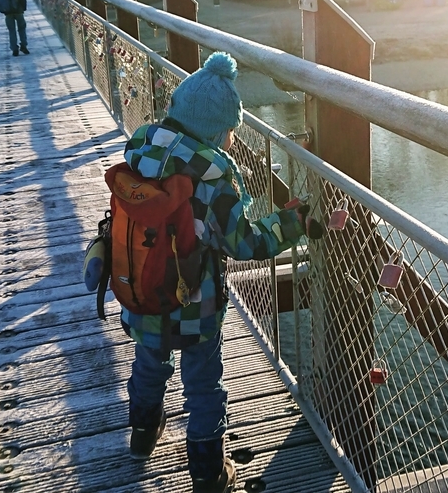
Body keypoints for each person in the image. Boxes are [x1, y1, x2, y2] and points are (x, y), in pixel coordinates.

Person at [119, 52, 307, 493]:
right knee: (204, 385)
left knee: (149, 363)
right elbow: (244, 244)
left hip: (140, 292)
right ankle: (208, 473)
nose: (228, 140)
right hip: (194, 305)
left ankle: (143, 434)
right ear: (215, 128)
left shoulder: (142, 149)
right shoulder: (213, 174)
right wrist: (291, 223)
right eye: (228, 131)